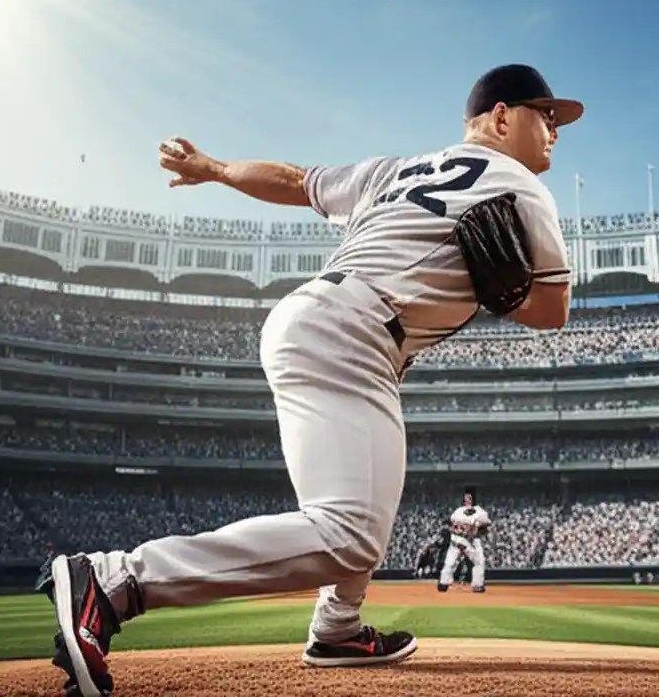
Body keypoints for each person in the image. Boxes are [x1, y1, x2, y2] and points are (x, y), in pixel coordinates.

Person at [34, 63, 582, 697]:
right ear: (502, 116)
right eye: (546, 115)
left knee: (368, 504)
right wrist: (502, 290)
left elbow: (294, 181)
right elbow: (552, 312)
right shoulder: (520, 187)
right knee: (349, 533)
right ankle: (114, 581)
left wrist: (213, 170)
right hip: (356, 334)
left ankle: (338, 628)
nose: (555, 131)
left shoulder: (394, 170)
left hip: (317, 320)